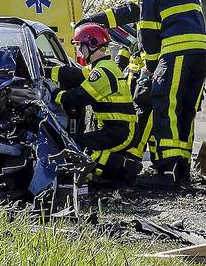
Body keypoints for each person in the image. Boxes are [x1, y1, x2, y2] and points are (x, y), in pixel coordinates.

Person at [77, 0, 206, 189]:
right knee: (185, 110)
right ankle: (181, 170)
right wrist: (94, 20)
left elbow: (148, 35)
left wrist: (151, 66)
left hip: (174, 54)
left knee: (166, 107)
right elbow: (129, 11)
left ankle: (166, 172)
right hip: (200, 56)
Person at [49, 24, 149, 185]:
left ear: (92, 44)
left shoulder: (102, 72)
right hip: (117, 128)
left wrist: (54, 95)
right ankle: (113, 169)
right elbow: (76, 74)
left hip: (121, 131)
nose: (79, 50)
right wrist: (48, 70)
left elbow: (79, 98)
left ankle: (127, 169)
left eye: (80, 45)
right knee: (82, 144)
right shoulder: (102, 66)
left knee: (79, 147)